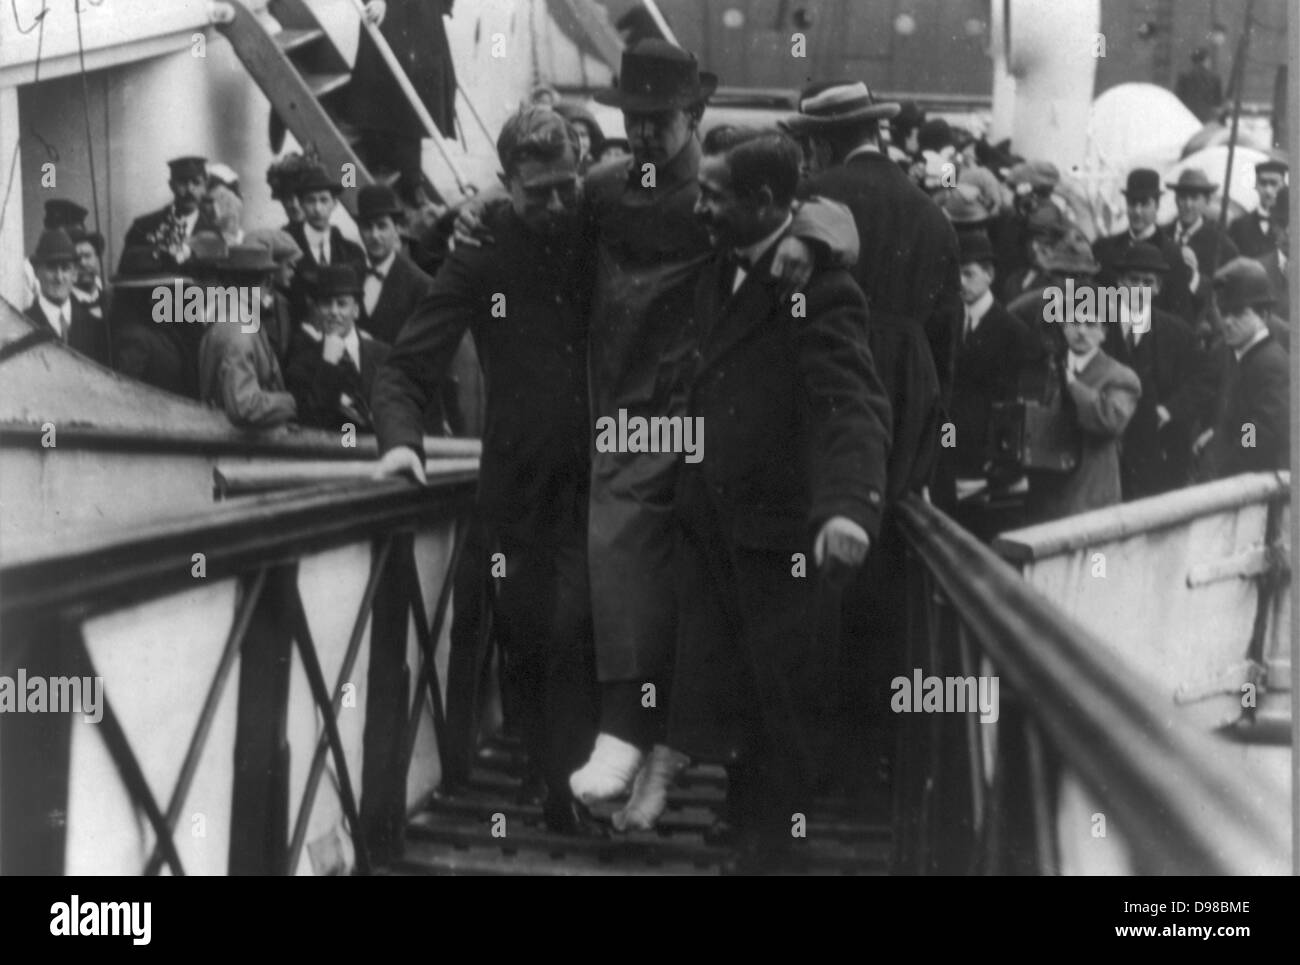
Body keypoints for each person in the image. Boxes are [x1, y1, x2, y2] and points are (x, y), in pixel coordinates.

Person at [668, 127, 892, 872]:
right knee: (739, 691)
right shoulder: (723, 262)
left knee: (784, 706)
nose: (700, 206)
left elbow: (849, 401)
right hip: (719, 527)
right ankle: (747, 826)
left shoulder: (817, 287)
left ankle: (778, 853)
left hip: (779, 536)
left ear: (765, 204)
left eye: (714, 195)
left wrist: (849, 505)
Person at [372, 107, 601, 836]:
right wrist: (401, 443)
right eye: (539, 192)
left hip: (603, 476)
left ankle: (573, 782)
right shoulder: (480, 252)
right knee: (528, 631)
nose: (558, 204)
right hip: (519, 479)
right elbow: (404, 369)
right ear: (507, 183)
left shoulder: (596, 220)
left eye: (567, 185)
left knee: (583, 626)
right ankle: (550, 778)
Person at [784, 80, 963, 407]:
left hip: (831, 373)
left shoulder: (812, 195)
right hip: (912, 384)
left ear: (823, 145)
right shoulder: (934, 215)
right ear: (875, 133)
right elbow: (947, 329)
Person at [1103, 243, 1212, 499]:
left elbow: (1201, 382)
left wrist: (1170, 409)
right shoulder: (1099, 326)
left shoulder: (1178, 333)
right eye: (1133, 281)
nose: (1140, 290)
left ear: (1158, 288)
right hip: (1106, 452)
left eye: (1147, 282)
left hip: (1158, 453)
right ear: (1120, 283)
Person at [1024, 288, 1141, 523]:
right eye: (1074, 322)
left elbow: (1111, 420)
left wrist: (1072, 384)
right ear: (1063, 327)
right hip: (1046, 496)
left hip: (1090, 496)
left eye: (1091, 324)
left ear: (1104, 333)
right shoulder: (1047, 368)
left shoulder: (1120, 376)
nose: (1081, 331)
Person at [342, 0, 457, 205]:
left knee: (417, 91)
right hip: (388, 12)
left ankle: (411, 178)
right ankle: (401, 176)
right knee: (392, 86)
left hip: (421, 15)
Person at [951, 230, 1040, 481]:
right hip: (949, 449)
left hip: (987, 458)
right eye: (955, 273)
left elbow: (1013, 403)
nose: (960, 282)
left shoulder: (1014, 332)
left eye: (968, 273)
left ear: (989, 275)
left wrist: (999, 461)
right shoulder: (947, 322)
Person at [1195, 258, 1290, 478]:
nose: (1227, 322)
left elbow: (1261, 429)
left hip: (1262, 481)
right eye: (1224, 312)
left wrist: (1228, 456)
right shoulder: (1242, 354)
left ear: (1264, 316)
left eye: (1238, 313)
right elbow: (1245, 419)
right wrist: (1217, 435)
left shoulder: (1270, 363)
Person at [198, 245, 298, 428]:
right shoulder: (238, 329)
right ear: (268, 281)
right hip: (234, 447)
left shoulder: (234, 318)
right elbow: (244, 406)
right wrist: (294, 402)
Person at [286, 265, 389, 431]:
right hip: (334, 452)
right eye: (327, 304)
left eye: (342, 304)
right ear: (318, 310)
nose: (334, 312)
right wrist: (328, 366)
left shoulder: (383, 355)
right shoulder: (302, 362)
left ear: (356, 310)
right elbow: (310, 420)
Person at [1093, 168, 1195, 323]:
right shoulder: (1105, 249)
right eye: (1132, 204)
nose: (1138, 212)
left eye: (1145, 204)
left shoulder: (1171, 254)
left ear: (1157, 206)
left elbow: (1180, 314)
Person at [353, 184, 436, 345]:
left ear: (397, 228)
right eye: (367, 227)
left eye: (382, 226)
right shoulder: (352, 273)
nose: (375, 235)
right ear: (359, 230)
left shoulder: (420, 285)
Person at [24, 229, 110, 366]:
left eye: (65, 268)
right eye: (51, 268)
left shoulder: (96, 328)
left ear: (75, 274)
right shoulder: (24, 325)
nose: (59, 277)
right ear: (36, 272)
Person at [1165, 167, 1239, 320]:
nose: (1187, 204)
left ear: (1207, 201)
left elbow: (1225, 299)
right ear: (1175, 199)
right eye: (1183, 197)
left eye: (1194, 198)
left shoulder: (1223, 247)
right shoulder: (1161, 236)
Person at [121, 156, 219, 265]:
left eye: (196, 182)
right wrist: (160, 254)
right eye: (183, 182)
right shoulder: (143, 226)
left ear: (205, 186)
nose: (190, 189)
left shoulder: (216, 230)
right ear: (171, 185)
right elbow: (126, 267)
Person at [287, 165, 367, 271]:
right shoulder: (287, 247)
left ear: (334, 204)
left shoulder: (352, 252)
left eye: (324, 200)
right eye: (310, 200)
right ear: (301, 204)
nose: (317, 209)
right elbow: (257, 283)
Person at [1228, 158, 1288, 260]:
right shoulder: (1238, 225)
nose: (1268, 190)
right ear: (1256, 185)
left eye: (1274, 184)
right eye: (1263, 183)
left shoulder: (1290, 225)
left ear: (1282, 185)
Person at [1174, 47, 1223, 124]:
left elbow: (1177, 98)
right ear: (1206, 60)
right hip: (1206, 119)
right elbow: (1217, 103)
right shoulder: (1214, 78)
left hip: (1187, 117)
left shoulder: (1184, 76)